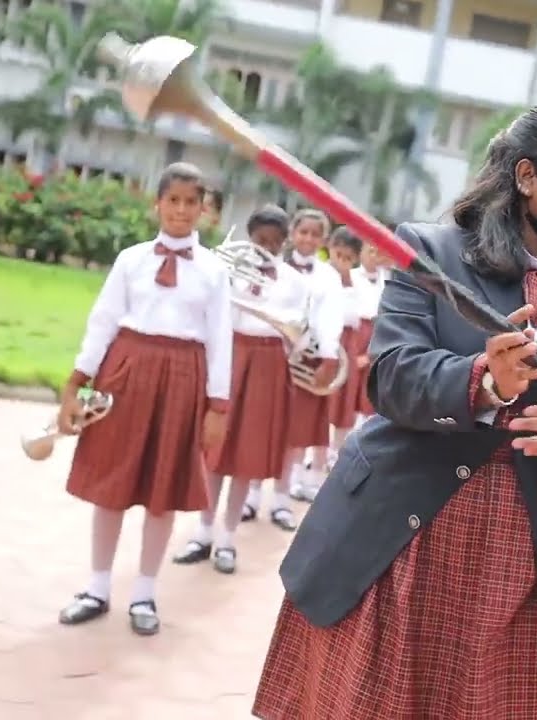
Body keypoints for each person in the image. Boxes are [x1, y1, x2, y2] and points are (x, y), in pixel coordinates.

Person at [251, 103, 537, 720]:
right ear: (528, 176)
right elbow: (392, 375)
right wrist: (482, 381)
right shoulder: (431, 254)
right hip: (402, 541)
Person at [56, 161, 232, 636]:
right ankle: (96, 587)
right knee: (111, 481)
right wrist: (76, 383)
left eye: (191, 202)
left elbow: (220, 340)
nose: (181, 210)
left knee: (163, 489)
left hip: (183, 378)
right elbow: (103, 321)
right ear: (157, 204)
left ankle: (145, 593)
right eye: (172, 200)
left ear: (203, 210)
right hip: (126, 372)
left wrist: (218, 406)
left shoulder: (215, 272)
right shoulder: (131, 260)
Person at [174, 205, 307, 572]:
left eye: (274, 243)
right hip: (231, 356)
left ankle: (228, 538)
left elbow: (298, 331)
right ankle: (203, 532)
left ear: (284, 243)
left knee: (246, 456)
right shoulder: (225, 271)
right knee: (215, 452)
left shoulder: (294, 281)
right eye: (260, 240)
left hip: (268, 362)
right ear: (249, 237)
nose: (266, 248)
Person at [263, 209, 340, 506]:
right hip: (271, 353)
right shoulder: (274, 266)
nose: (308, 239)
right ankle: (252, 496)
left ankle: (281, 499)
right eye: (303, 232)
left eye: (315, 234)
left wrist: (328, 357)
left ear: (324, 240)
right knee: (263, 427)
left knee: (294, 433)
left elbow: (330, 318)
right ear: (292, 234)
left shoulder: (328, 276)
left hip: (308, 357)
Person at [325, 226, 364, 455]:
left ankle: (336, 453)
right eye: (338, 254)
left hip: (348, 340)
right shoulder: (320, 274)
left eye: (348, 258)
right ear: (330, 248)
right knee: (323, 398)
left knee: (344, 400)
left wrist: (346, 278)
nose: (341, 261)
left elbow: (356, 315)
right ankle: (314, 456)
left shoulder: (358, 280)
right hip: (323, 338)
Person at [351, 242, 387, 424]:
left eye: (378, 251)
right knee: (351, 383)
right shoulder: (351, 276)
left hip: (378, 331)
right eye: (370, 251)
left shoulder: (388, 278)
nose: (374, 255)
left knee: (370, 383)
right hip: (356, 331)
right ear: (361, 253)